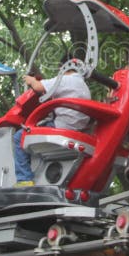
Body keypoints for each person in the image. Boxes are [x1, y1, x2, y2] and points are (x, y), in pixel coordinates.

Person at [14, 56, 92, 186]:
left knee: (19, 137)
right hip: (77, 129)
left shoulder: (65, 79)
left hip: (61, 126)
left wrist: (30, 80)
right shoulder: (84, 86)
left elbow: (38, 87)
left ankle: (24, 179)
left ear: (63, 67)